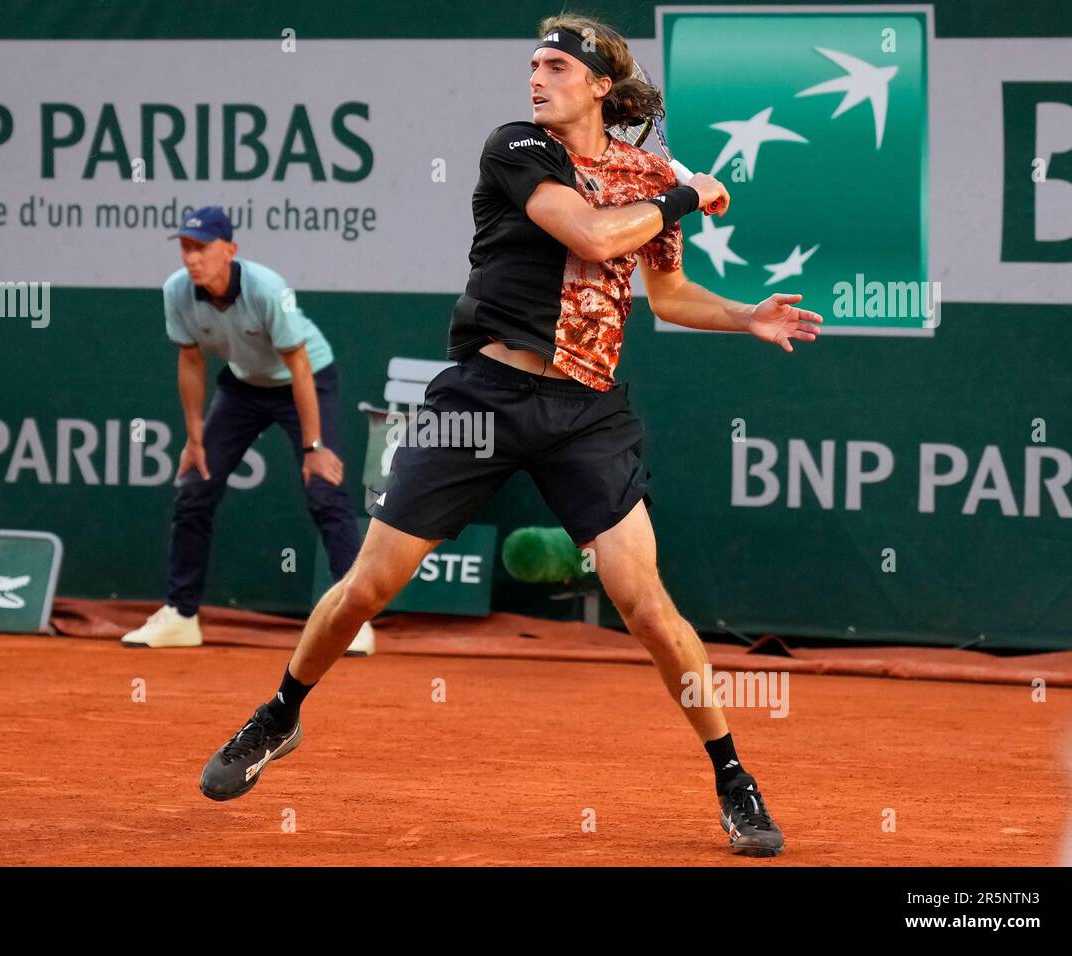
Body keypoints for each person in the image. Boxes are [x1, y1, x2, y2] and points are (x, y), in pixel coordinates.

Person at [197, 15, 822, 857]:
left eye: (558, 67)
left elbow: (668, 299)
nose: (537, 79)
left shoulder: (643, 171)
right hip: (482, 395)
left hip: (587, 413)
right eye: (533, 65)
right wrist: (682, 192)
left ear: (601, 85)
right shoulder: (518, 147)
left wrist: (746, 314)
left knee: (648, 606)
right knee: (369, 583)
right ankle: (279, 714)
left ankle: (732, 777)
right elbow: (596, 235)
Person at [121, 206, 375, 656]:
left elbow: (299, 365)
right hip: (242, 386)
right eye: (185, 248)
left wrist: (313, 447)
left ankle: (352, 621)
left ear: (229, 250)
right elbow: (191, 360)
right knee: (194, 488)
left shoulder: (267, 289)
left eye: (201, 248)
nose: (191, 258)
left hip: (306, 379)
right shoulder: (177, 292)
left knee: (324, 490)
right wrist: (195, 437)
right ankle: (180, 616)